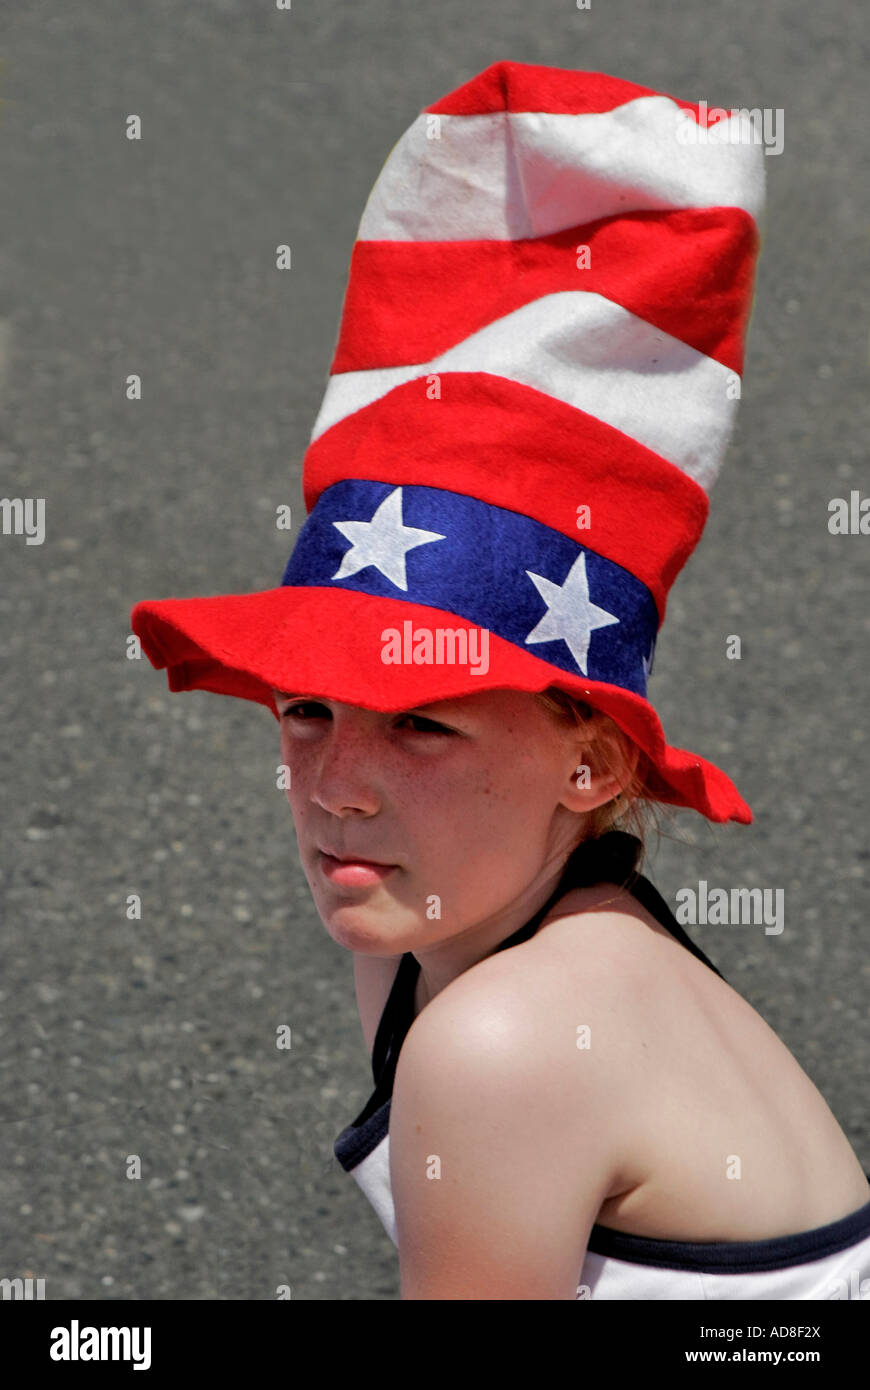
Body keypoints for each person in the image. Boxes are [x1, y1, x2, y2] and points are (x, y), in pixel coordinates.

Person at [131, 60, 870, 1299]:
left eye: (422, 724)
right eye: (309, 710)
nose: (337, 789)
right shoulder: (472, 927)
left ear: (595, 759)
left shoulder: (499, 1039)